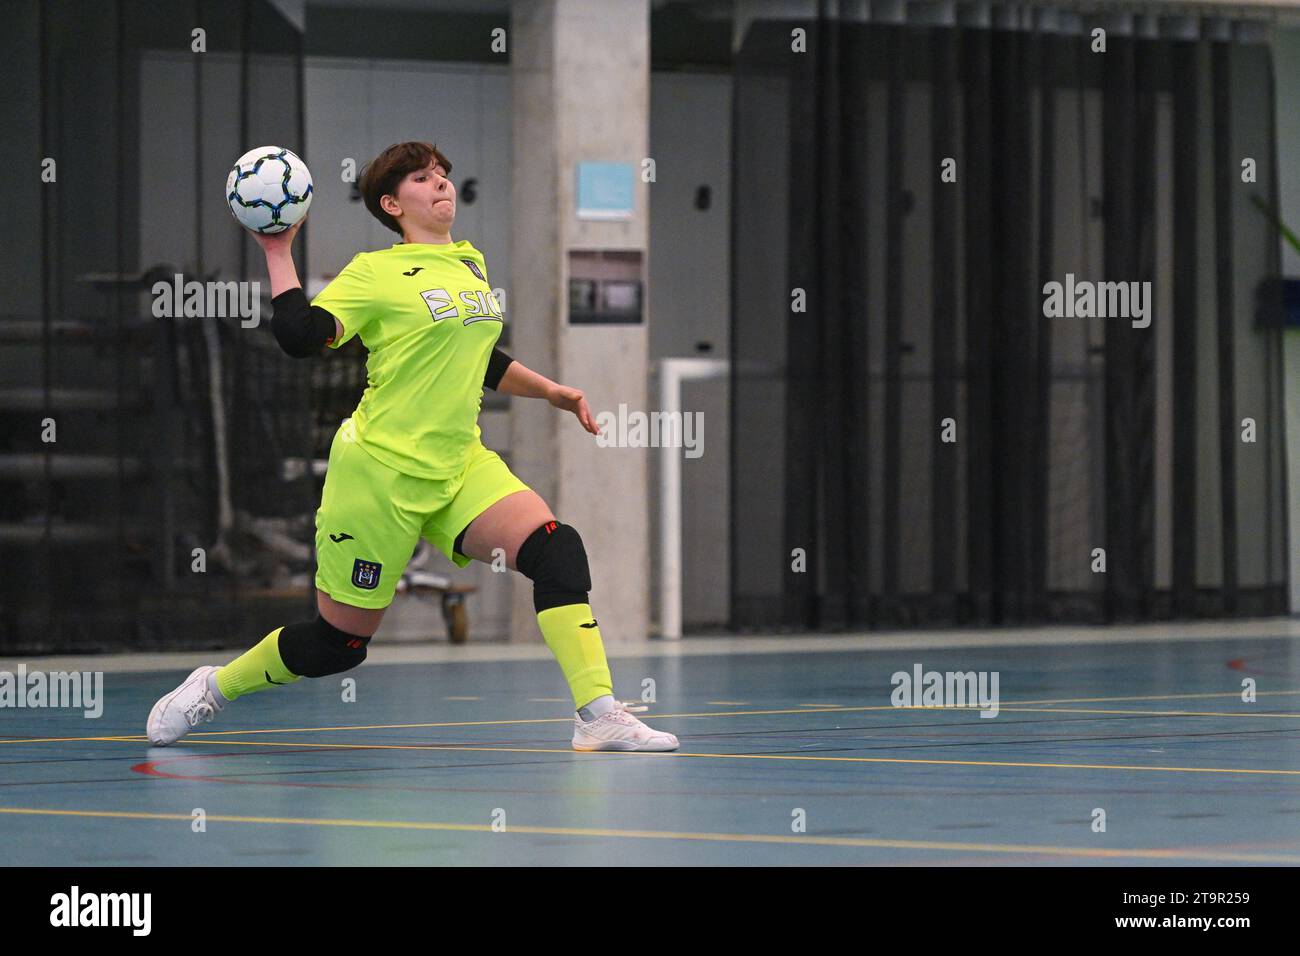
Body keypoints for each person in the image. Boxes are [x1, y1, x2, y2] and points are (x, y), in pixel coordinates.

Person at [147, 141, 678, 753]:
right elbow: (299, 336)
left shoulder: (470, 264)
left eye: (445, 175)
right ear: (392, 203)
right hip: (380, 473)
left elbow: (479, 356)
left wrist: (550, 390)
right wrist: (277, 249)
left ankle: (598, 714)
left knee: (557, 552)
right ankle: (214, 687)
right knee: (336, 646)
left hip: (459, 466)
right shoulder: (374, 273)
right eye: (424, 179)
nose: (442, 185)